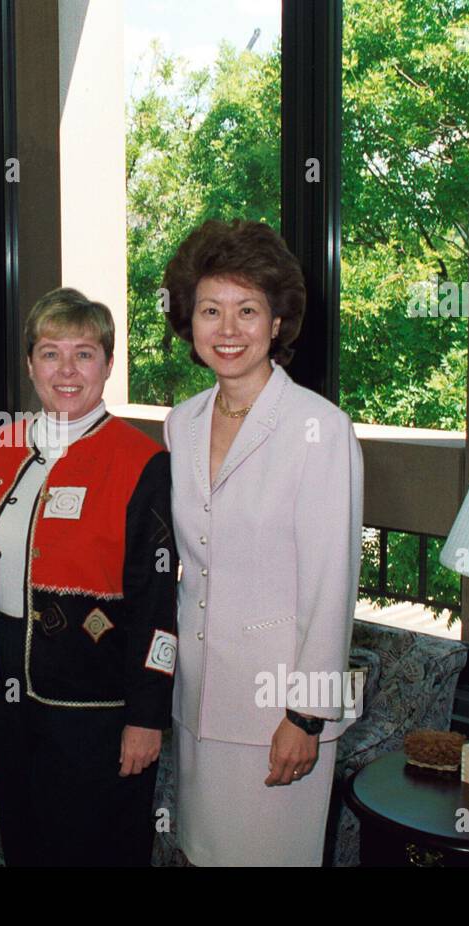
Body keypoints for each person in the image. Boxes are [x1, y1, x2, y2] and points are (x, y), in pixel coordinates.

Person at [161, 219, 363, 866]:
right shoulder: (181, 424)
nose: (228, 329)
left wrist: (307, 717)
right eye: (210, 310)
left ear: (277, 322)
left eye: (248, 310)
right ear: (189, 323)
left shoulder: (320, 430)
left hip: (278, 718)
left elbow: (332, 587)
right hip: (197, 706)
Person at [0, 287, 177, 866]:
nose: (67, 369)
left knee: (96, 847)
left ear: (107, 364)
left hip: (96, 699)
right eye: (51, 352)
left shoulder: (140, 461)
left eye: (85, 353)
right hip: (6, 685)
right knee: (24, 838)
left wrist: (146, 718)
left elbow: (159, 606)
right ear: (30, 364)